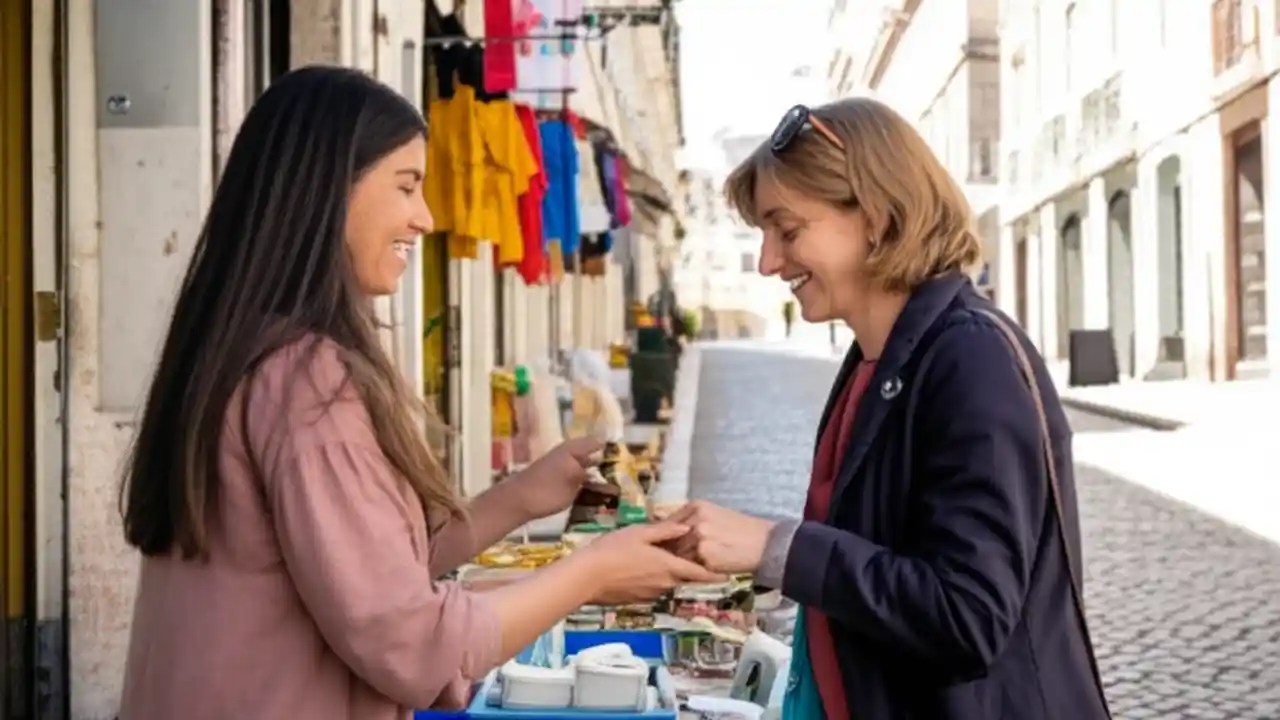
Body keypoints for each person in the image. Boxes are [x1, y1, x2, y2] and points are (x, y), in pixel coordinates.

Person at [117, 66, 718, 720]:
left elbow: (359, 566)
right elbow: (413, 643)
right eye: (407, 186)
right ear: (327, 191)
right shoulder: (308, 380)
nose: (426, 218)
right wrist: (594, 573)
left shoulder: (234, 353)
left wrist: (518, 498)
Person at [663, 99, 1111, 719]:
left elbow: (967, 617)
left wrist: (776, 548)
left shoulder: (969, 357)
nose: (768, 262)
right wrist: (748, 556)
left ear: (874, 216)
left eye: (788, 230)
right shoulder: (874, 361)